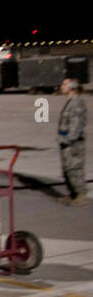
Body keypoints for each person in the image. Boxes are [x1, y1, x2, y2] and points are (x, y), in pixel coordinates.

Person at [58, 78, 87, 206]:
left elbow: (75, 124)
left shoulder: (76, 103)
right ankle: (73, 194)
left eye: (65, 84)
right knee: (67, 169)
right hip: (66, 141)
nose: (62, 86)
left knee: (74, 168)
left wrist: (69, 139)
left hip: (73, 142)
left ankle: (81, 195)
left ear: (72, 87)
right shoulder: (71, 102)